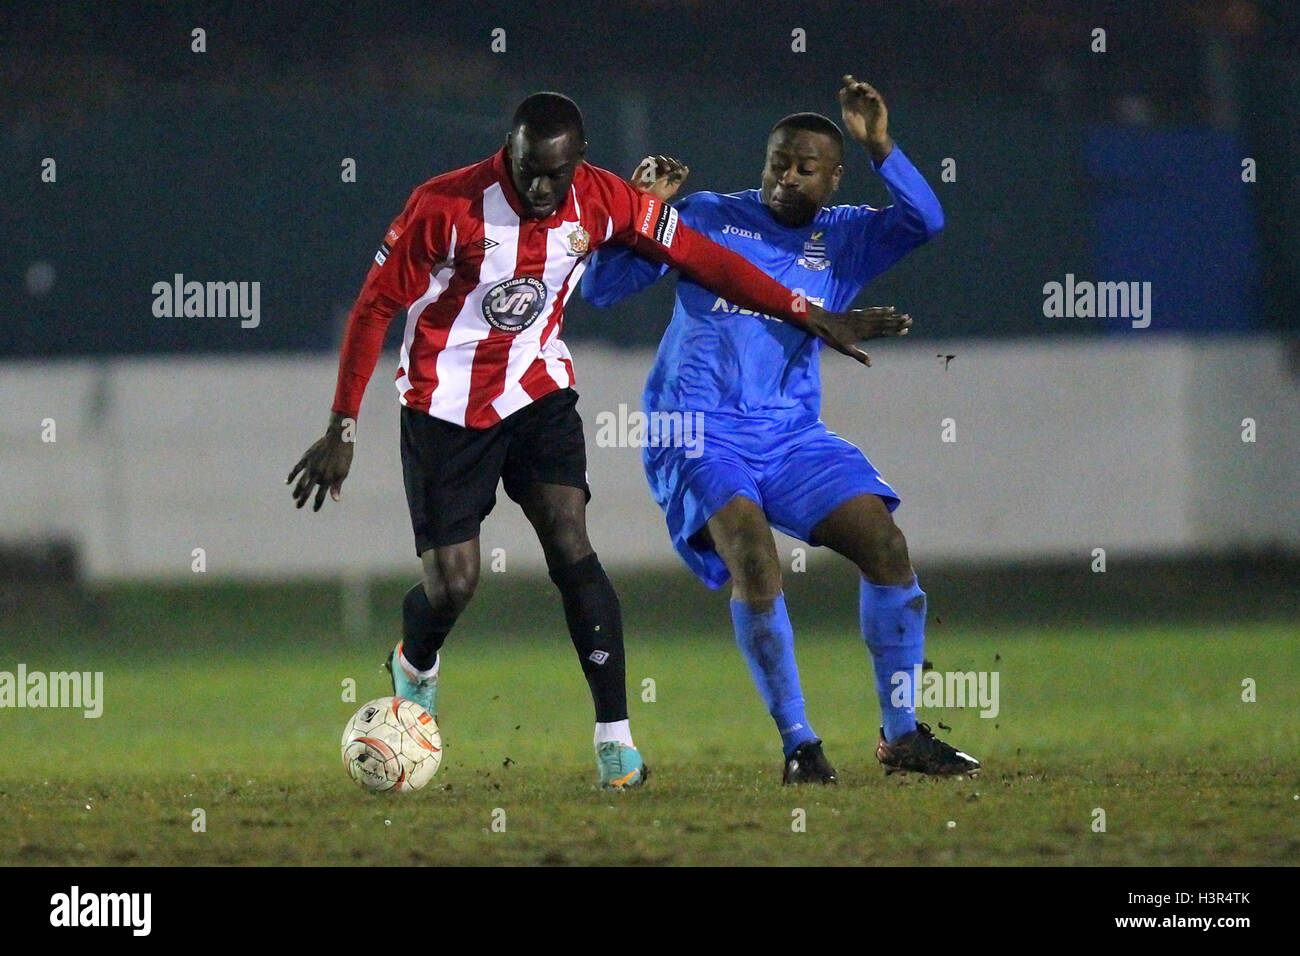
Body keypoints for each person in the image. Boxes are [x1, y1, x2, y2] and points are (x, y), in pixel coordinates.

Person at [286, 90, 907, 790]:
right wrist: (343, 425)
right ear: (509, 154)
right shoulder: (444, 205)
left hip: (537, 393)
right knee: (454, 583)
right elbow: (375, 306)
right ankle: (415, 667)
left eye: (554, 173)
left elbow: (706, 258)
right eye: (526, 170)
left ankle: (616, 744)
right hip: (443, 406)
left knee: (571, 545)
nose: (540, 187)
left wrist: (809, 313)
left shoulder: (604, 199)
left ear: (578, 162)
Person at [580, 77, 980, 783]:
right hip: (696, 428)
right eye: (777, 162)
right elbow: (604, 289)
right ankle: (800, 744)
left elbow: (927, 222)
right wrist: (642, 214)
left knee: (885, 545)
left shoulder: (848, 236)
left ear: (833, 178)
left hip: (791, 435)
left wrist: (883, 146)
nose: (785, 177)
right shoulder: (706, 214)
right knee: (754, 557)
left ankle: (902, 735)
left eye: (804, 167)